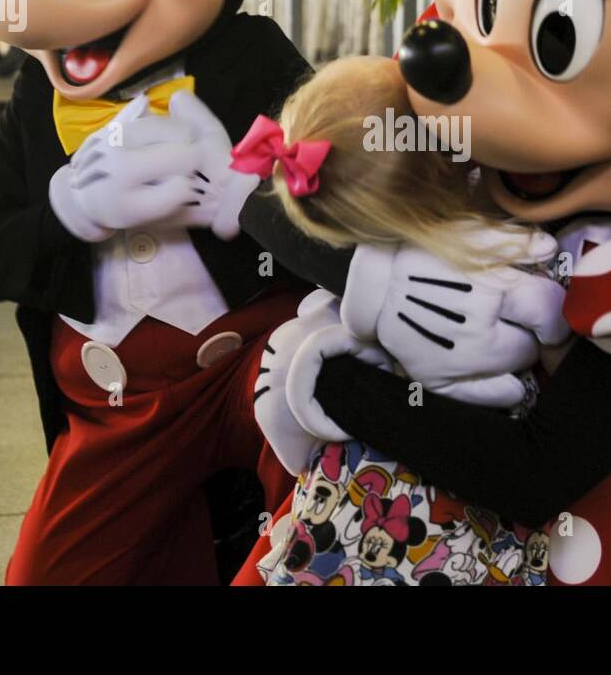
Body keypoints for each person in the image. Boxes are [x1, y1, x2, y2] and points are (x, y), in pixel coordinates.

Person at [231, 55, 564, 585]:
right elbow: (555, 332)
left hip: (340, 506)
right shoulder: (501, 251)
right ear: (450, 160)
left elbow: (282, 414)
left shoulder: (337, 297)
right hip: (455, 529)